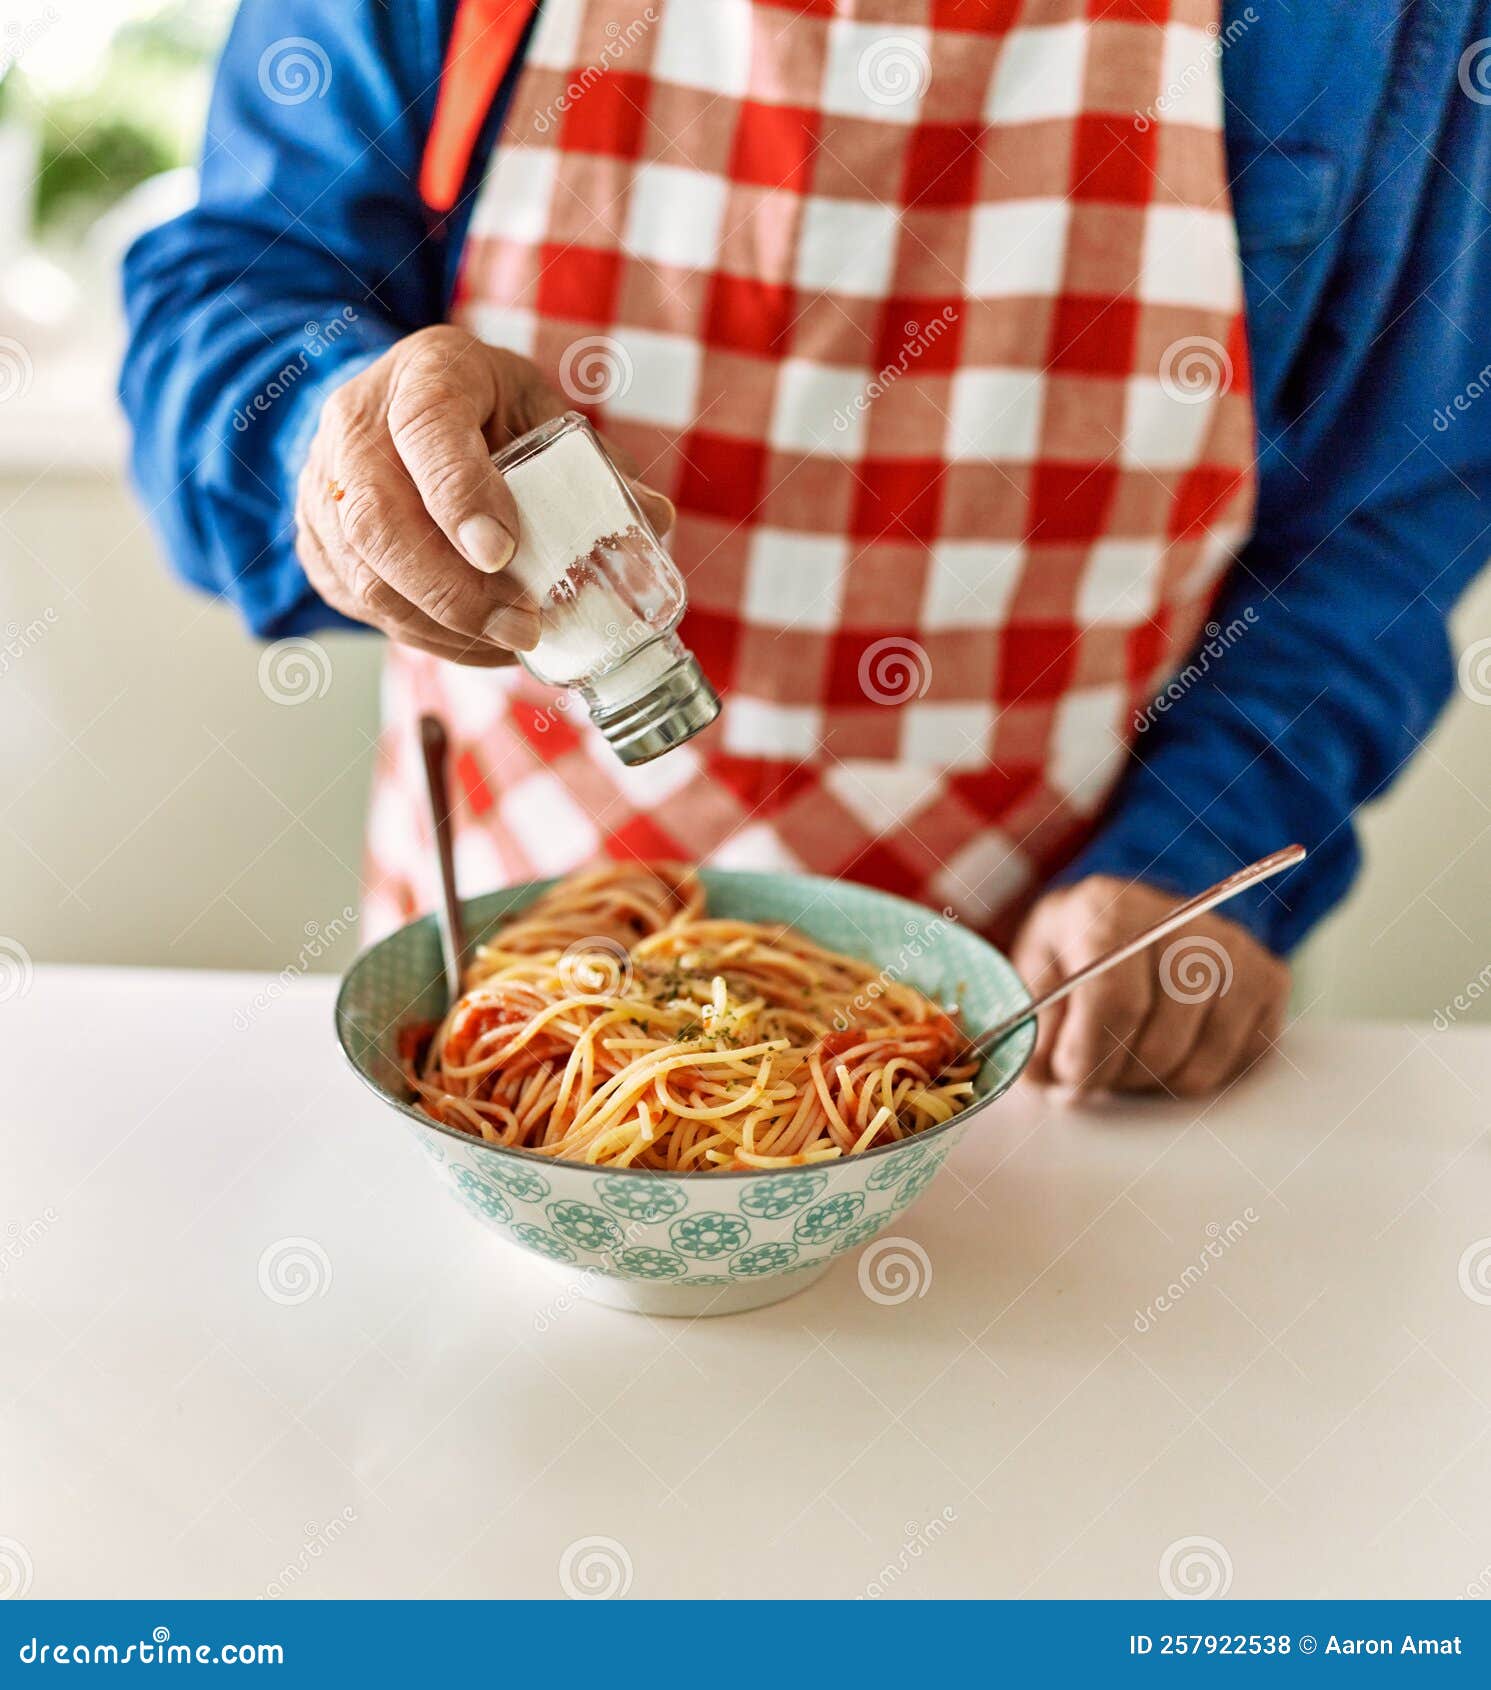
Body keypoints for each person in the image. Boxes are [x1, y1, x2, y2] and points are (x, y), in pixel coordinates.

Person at [120, 0, 1491, 1098]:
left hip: (1050, 1073)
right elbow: (237, 283)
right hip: (507, 1042)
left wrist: (1211, 841)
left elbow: (1387, 507)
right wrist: (329, 443)